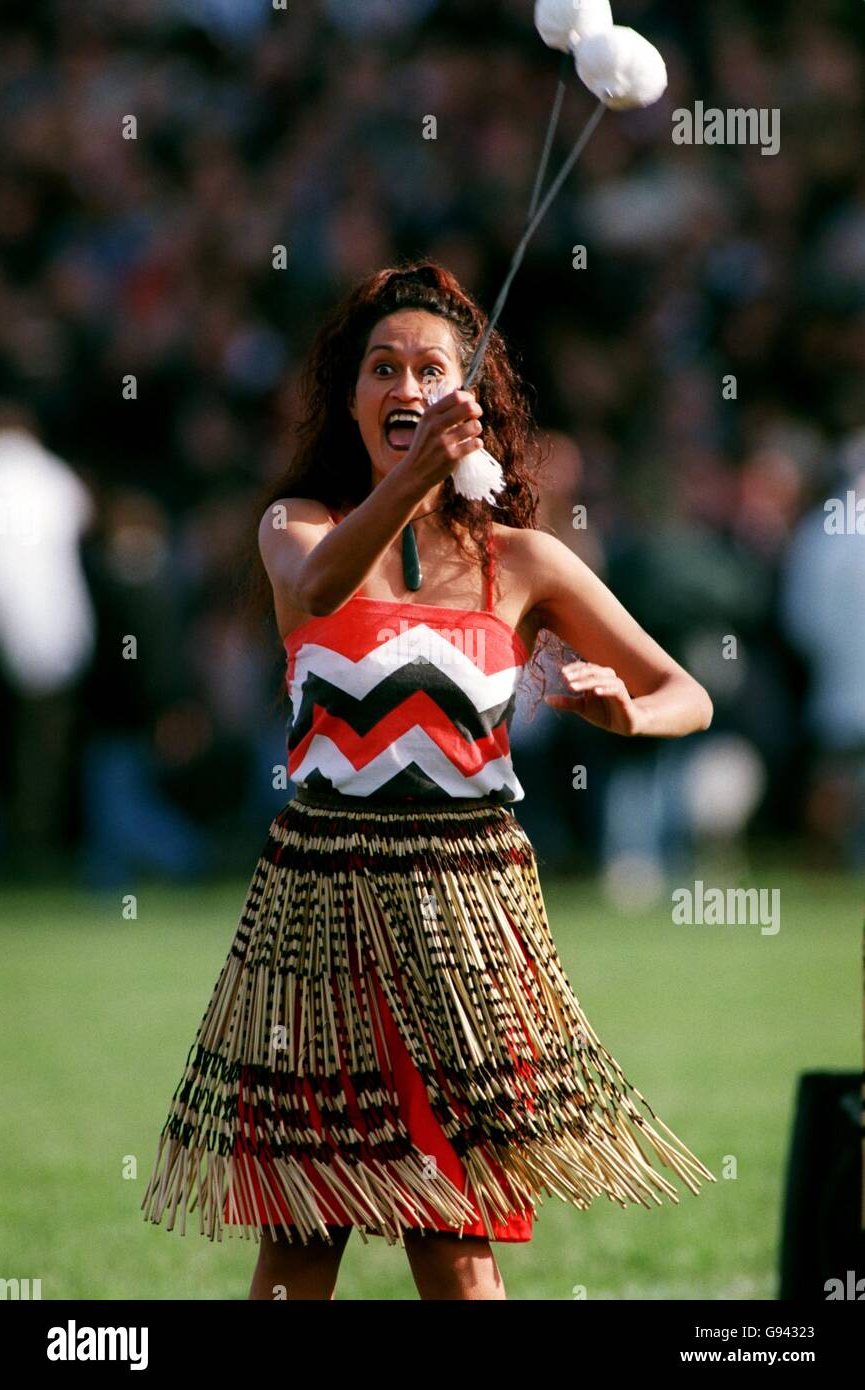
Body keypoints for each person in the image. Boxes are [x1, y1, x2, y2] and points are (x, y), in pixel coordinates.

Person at [140, 261, 716, 1300]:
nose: (404, 386)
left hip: (467, 917)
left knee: (456, 1251)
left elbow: (687, 692)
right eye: (381, 368)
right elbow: (318, 592)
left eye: (429, 369)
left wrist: (632, 713)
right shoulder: (297, 526)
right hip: (318, 910)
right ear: (350, 396)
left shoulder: (525, 561)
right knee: (300, 1241)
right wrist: (414, 480)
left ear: (471, 399)